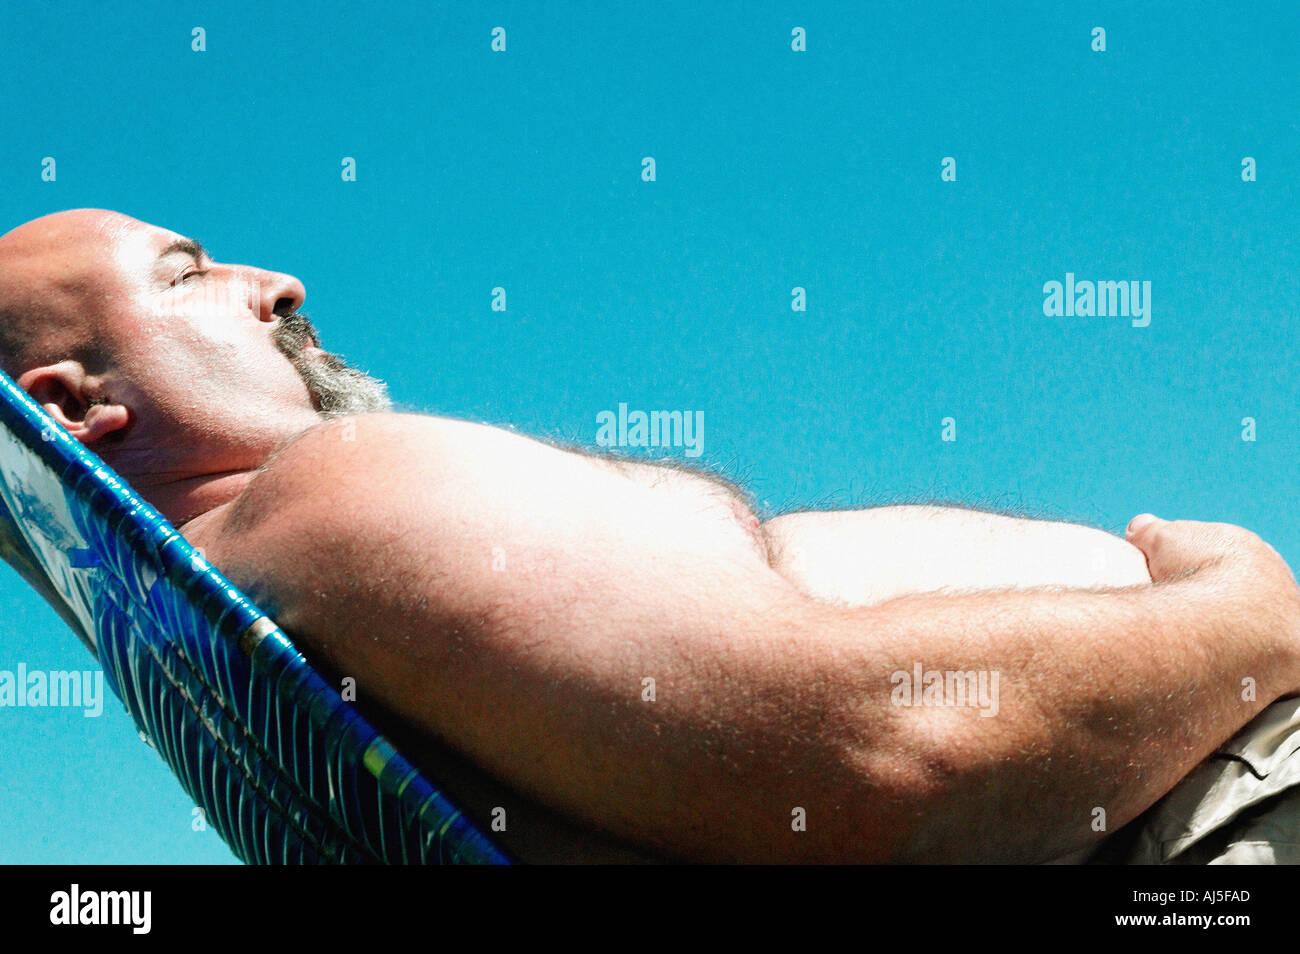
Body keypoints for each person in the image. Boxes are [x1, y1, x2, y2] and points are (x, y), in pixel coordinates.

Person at [1, 208, 1298, 864]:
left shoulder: (221, 677)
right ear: (76, 407)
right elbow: (875, 745)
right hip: (1209, 796)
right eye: (186, 274)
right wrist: (1246, 618)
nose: (274, 284)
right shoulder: (322, 495)